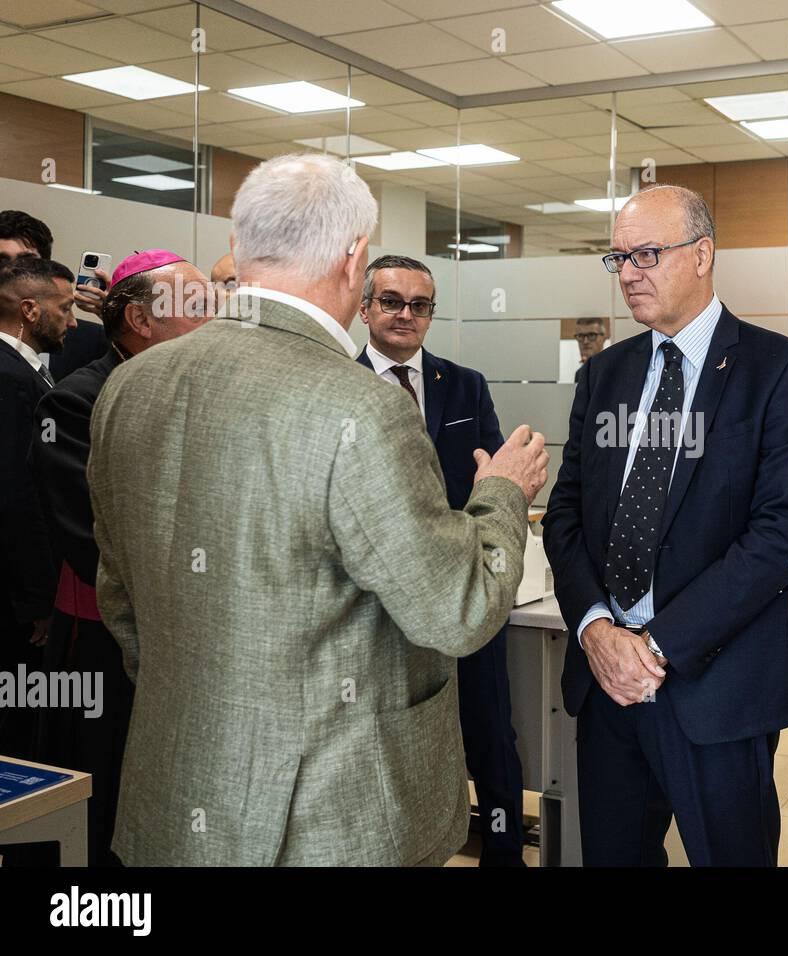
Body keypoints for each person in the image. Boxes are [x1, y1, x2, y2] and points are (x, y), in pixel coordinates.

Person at [86, 153, 548, 866]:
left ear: (240, 249)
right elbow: (455, 610)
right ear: (354, 256)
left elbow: (121, 601)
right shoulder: (363, 407)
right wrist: (504, 494)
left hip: (173, 795)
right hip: (327, 816)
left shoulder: (129, 386)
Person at [542, 184, 788, 866]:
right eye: (619, 259)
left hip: (716, 683)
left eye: (646, 254)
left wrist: (657, 646)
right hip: (607, 683)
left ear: (702, 255)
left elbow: (775, 537)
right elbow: (566, 511)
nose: (629, 273)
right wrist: (598, 631)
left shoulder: (776, 369)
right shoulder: (605, 374)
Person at [29, 250, 211, 866]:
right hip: (105, 641)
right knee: (103, 803)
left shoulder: (207, 392)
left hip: (190, 642)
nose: (214, 318)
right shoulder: (78, 403)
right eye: (197, 306)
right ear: (140, 319)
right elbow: (94, 540)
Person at [357, 253, 527, 867]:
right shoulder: (338, 383)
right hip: (379, 597)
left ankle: (504, 851)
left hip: (463, 579)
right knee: (399, 726)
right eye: (392, 301)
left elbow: (491, 477)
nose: (406, 314)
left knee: (490, 725)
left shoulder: (463, 384)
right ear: (365, 307)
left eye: (420, 305)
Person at [0, 258, 76, 763]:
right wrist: (40, 598)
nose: (72, 321)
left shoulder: (27, 371)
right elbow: (16, 494)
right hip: (16, 599)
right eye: (64, 308)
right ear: (30, 310)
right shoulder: (11, 377)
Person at [0, 209, 108, 381]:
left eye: (27, 261)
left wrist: (115, 320)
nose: (11, 271)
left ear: (47, 266)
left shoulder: (91, 339)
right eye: (2, 261)